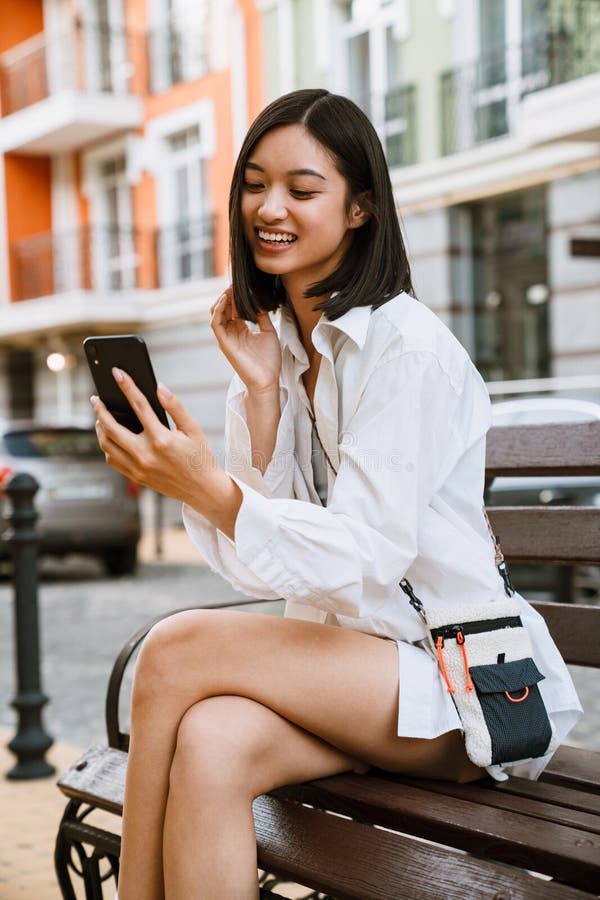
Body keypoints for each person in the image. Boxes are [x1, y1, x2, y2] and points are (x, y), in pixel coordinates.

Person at [91, 89, 582, 900]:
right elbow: (259, 573)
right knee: (213, 740)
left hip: (457, 686)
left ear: (359, 207)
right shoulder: (277, 351)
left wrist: (210, 488)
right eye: (253, 183)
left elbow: (368, 556)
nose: (268, 207)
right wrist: (259, 400)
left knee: (177, 648)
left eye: (301, 188)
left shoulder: (408, 350)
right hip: (359, 683)